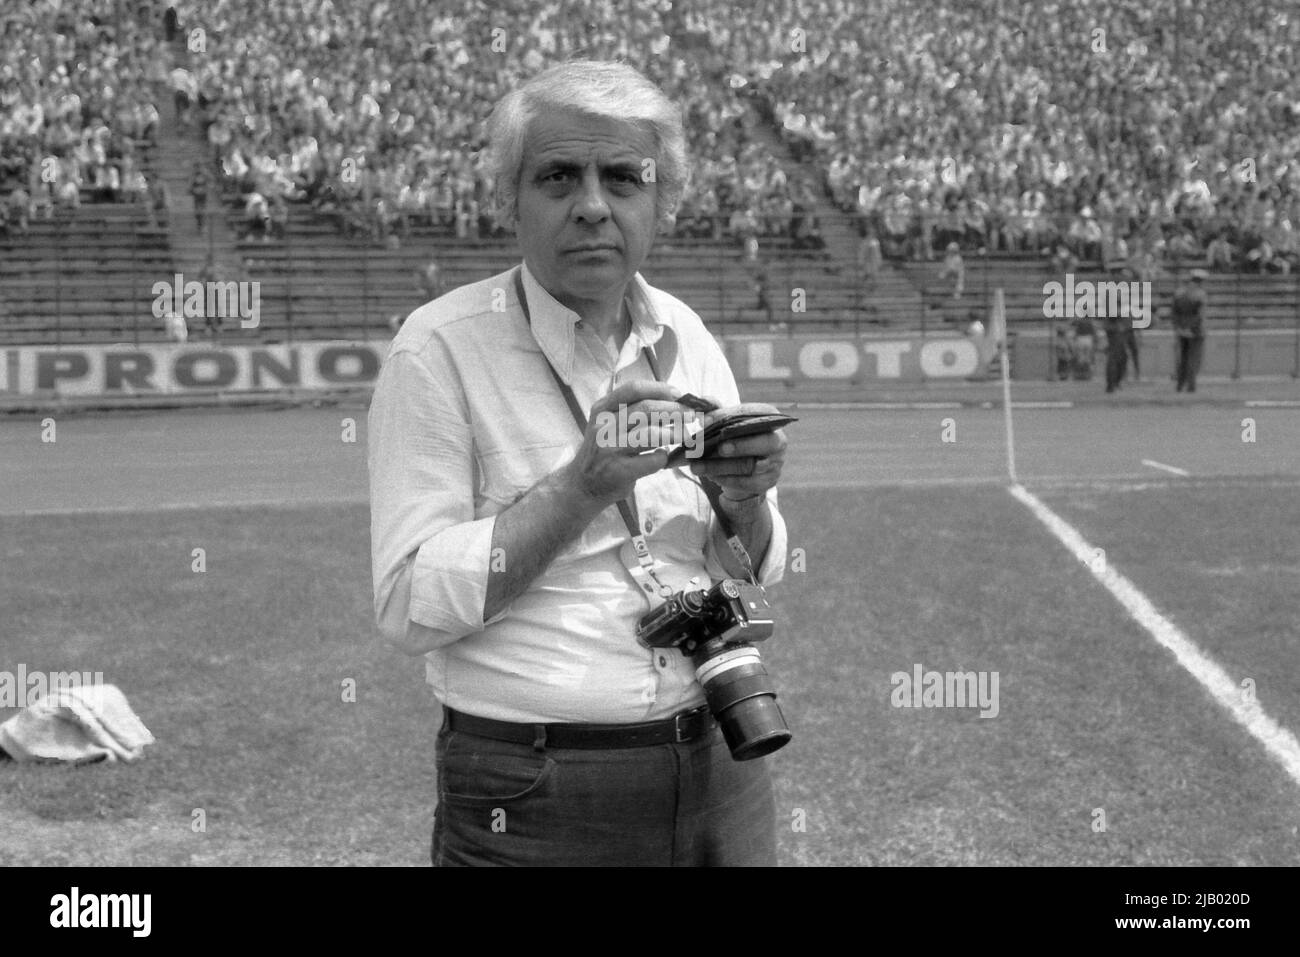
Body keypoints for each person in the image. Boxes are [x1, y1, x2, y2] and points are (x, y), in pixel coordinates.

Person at [367, 61, 789, 867]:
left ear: (659, 202)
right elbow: (407, 603)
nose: (593, 205)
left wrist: (746, 500)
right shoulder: (439, 349)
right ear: (508, 200)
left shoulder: (686, 336)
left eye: (624, 178)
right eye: (559, 176)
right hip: (533, 785)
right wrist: (581, 485)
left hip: (719, 756)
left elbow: (752, 567)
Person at [1172, 270, 1208, 392]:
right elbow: (1199, 315)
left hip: (1182, 330)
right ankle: (1191, 386)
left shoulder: (1179, 293)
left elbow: (1174, 313)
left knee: (1183, 358)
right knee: (1194, 359)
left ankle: (1180, 385)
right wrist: (1191, 328)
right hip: (1196, 331)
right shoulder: (1200, 294)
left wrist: (1179, 328)